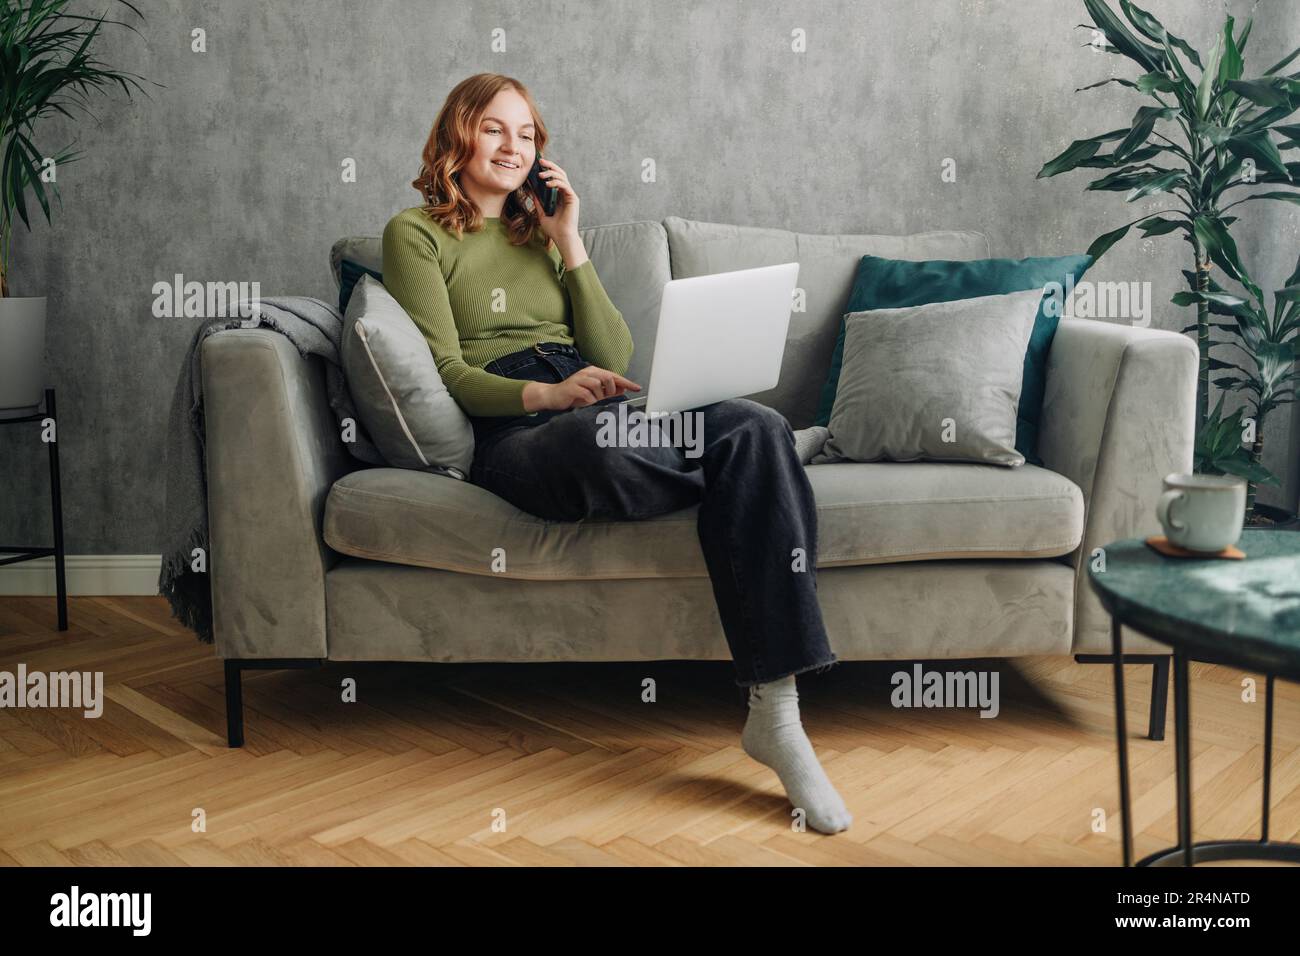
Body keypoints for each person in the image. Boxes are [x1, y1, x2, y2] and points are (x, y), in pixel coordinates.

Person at [382, 72, 851, 834]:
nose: (513, 146)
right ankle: (751, 470)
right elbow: (445, 374)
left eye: (527, 134)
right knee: (617, 446)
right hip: (519, 427)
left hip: (598, 399)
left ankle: (777, 712)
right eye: (496, 129)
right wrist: (545, 396)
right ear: (458, 134)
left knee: (753, 426)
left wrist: (571, 240)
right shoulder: (416, 234)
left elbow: (614, 349)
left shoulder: (544, 236)